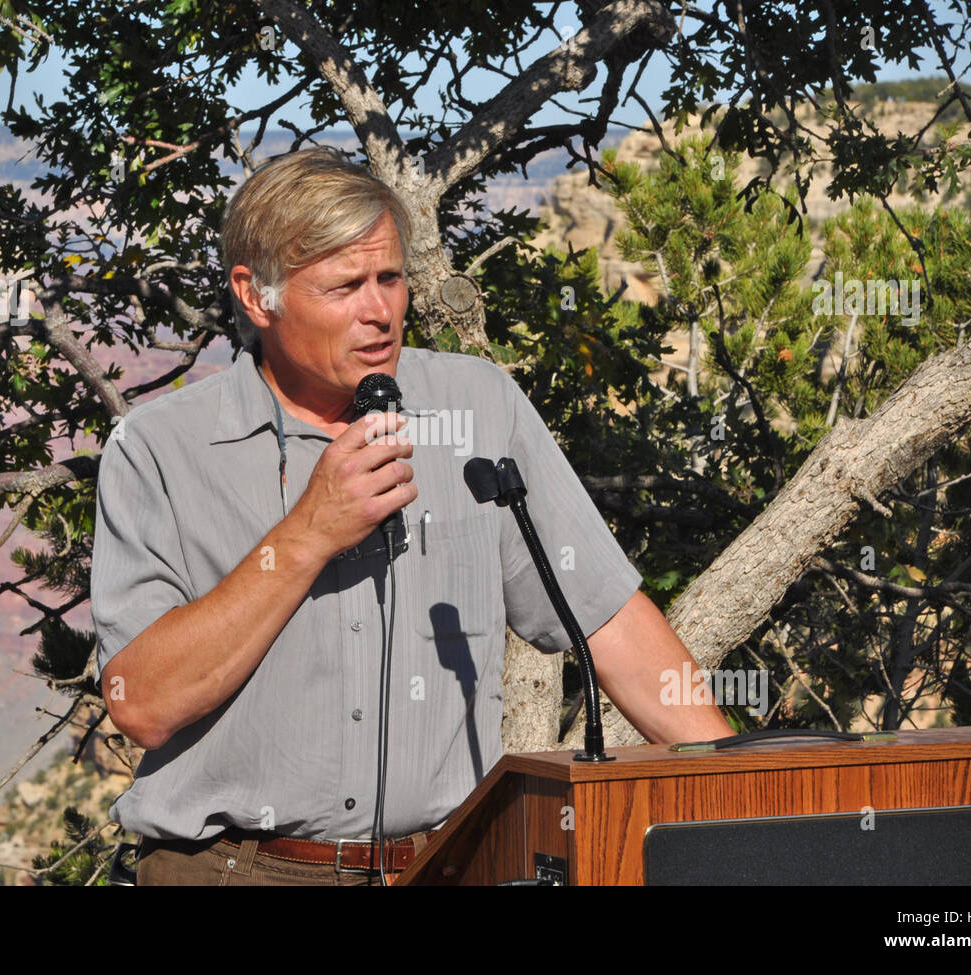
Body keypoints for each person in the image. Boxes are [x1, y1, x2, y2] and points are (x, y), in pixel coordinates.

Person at [90, 146, 732, 886]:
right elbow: (143, 704)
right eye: (345, 286)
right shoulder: (160, 449)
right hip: (236, 869)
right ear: (256, 294)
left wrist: (751, 797)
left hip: (452, 862)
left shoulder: (478, 405)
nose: (381, 311)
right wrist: (308, 533)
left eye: (390, 278)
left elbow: (606, 618)